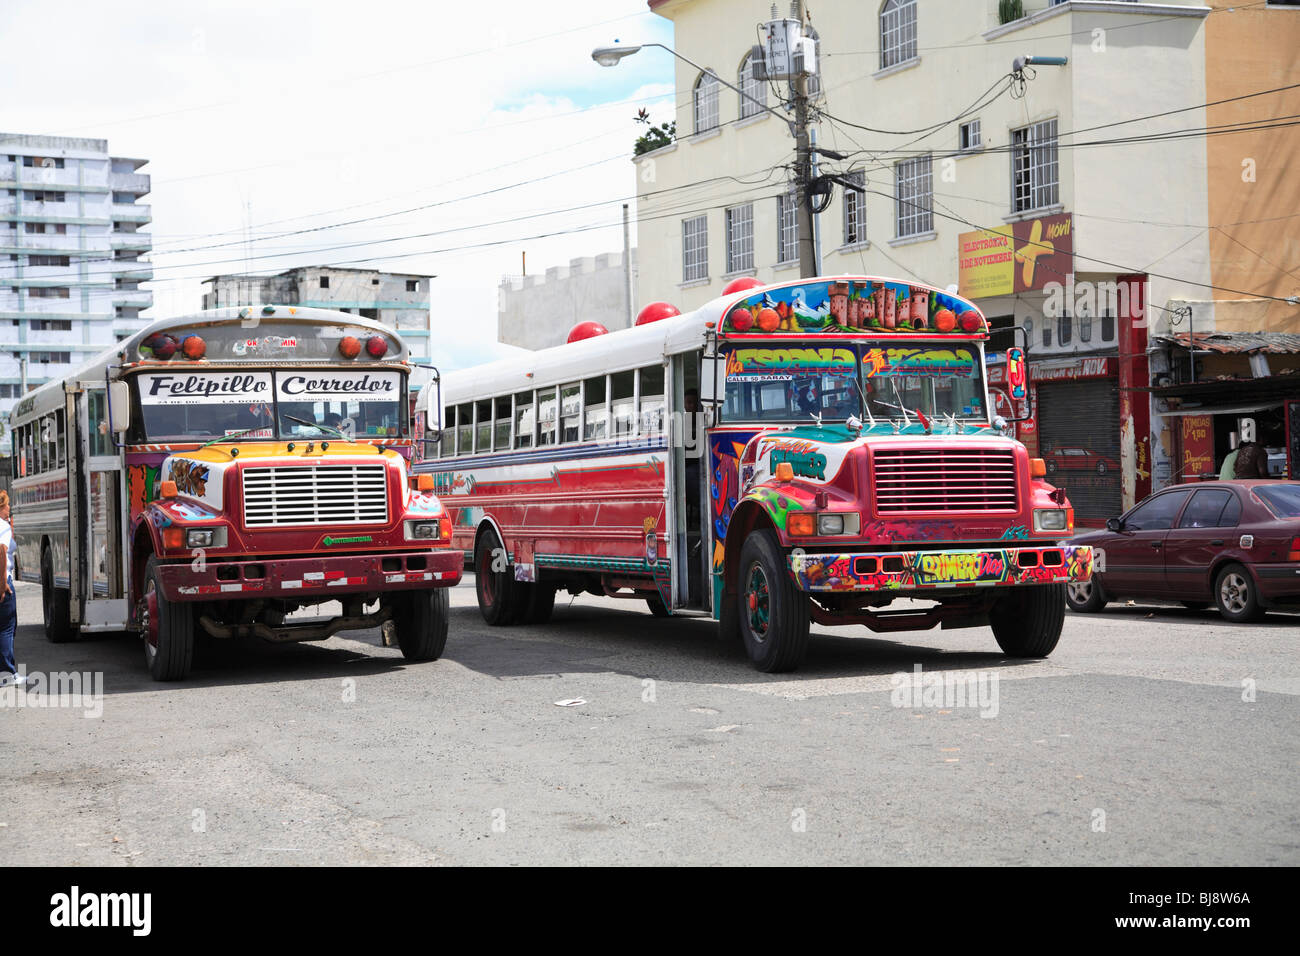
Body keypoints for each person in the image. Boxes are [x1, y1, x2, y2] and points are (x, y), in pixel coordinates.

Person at [0, 490, 23, 686]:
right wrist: (2, 584)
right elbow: (2, 552)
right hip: (3, 582)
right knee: (7, 628)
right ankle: (7, 673)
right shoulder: (3, 527)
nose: (10, 509)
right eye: (7, 505)